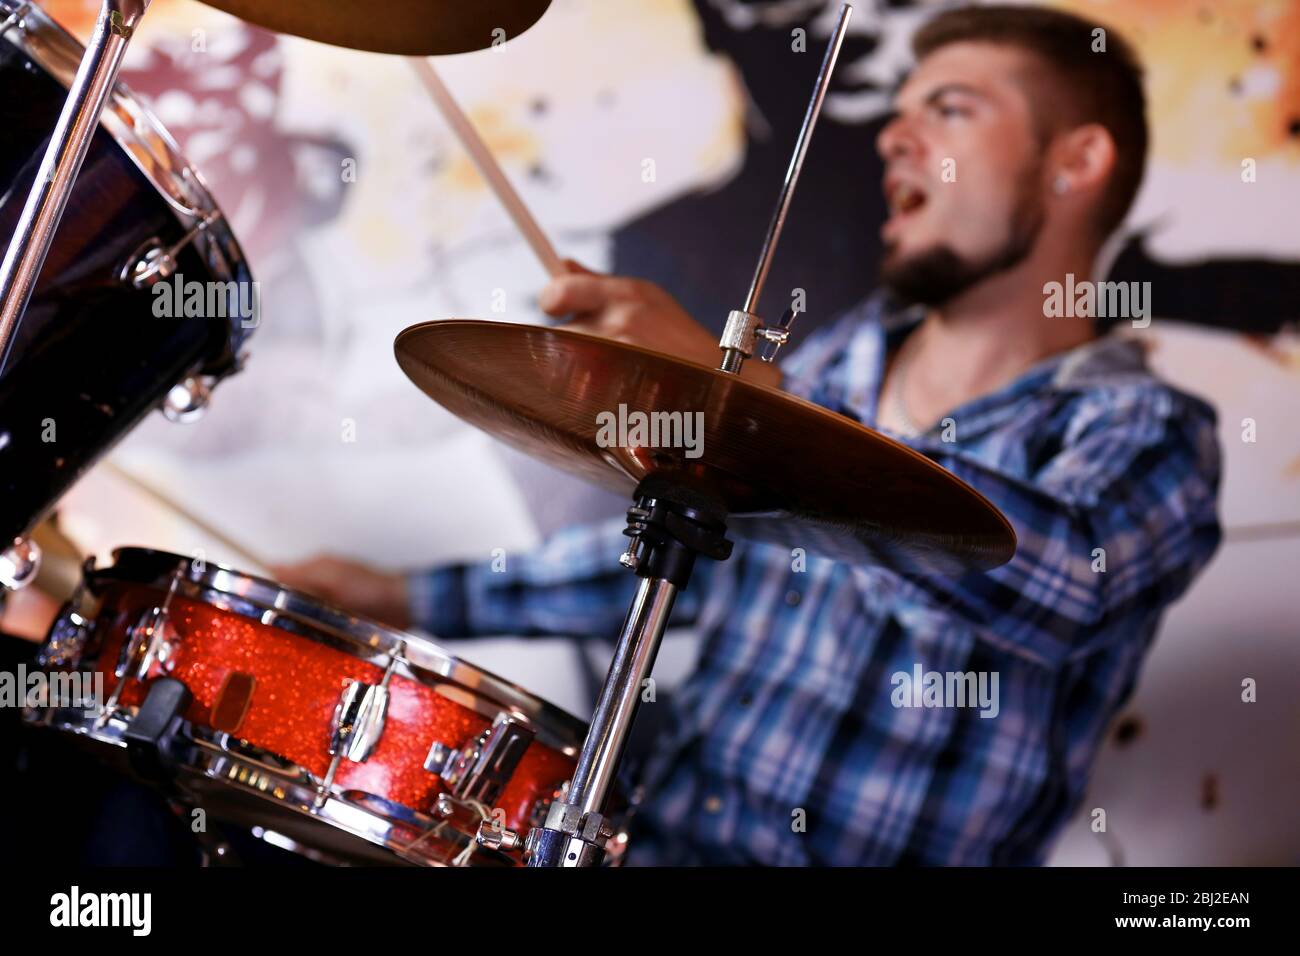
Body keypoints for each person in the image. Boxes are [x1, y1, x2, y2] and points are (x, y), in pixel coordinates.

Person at [275, 5, 1222, 865]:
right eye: (899, 111)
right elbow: (702, 563)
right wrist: (403, 594)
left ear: (1076, 162)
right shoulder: (849, 358)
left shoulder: (1149, 430)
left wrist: (745, 396)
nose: (896, 135)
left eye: (953, 109)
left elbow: (1059, 587)